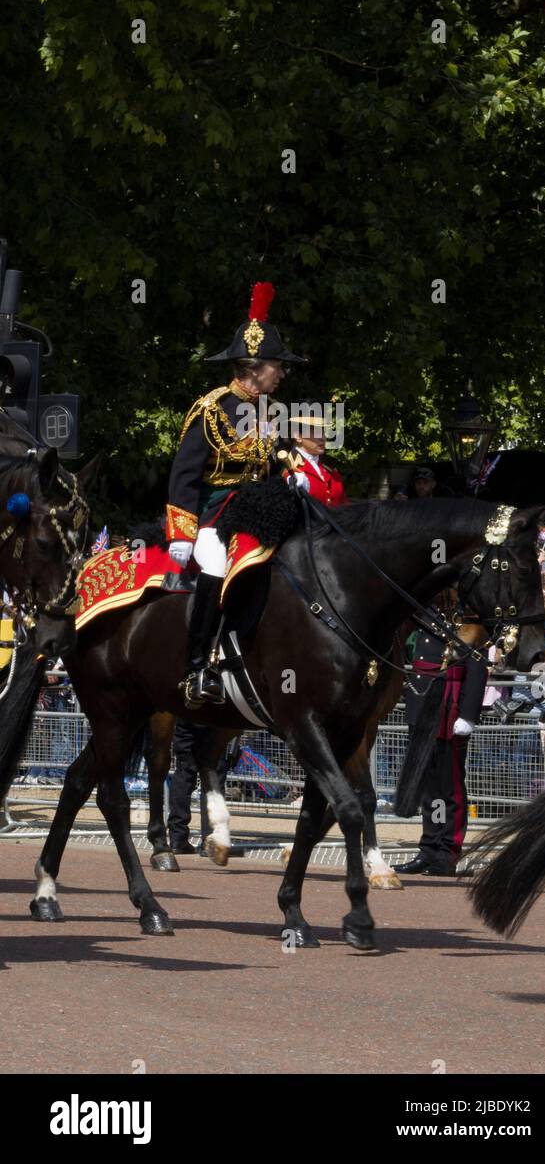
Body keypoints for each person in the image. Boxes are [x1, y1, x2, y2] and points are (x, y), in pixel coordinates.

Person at [166, 282, 307, 705]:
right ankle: (196, 667)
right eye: (277, 365)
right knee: (212, 564)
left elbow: (276, 454)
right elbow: (184, 474)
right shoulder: (211, 409)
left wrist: (292, 470)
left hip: (257, 508)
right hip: (214, 513)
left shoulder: (269, 412)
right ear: (254, 366)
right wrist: (181, 531)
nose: (282, 372)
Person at [394, 598, 488, 877]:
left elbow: (477, 668)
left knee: (450, 786)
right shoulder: (423, 612)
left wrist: (468, 715)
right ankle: (429, 847)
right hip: (423, 703)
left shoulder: (470, 619)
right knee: (428, 785)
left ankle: (448, 851)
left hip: (451, 707)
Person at [167, 723, 240, 855]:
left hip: (185, 717)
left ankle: (177, 838)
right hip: (212, 721)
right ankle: (211, 840)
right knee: (213, 777)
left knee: (184, 774)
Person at [279, 406, 347, 506]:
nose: (323, 438)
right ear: (298, 436)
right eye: (316, 432)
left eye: (323, 432)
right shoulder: (288, 469)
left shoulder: (330, 470)